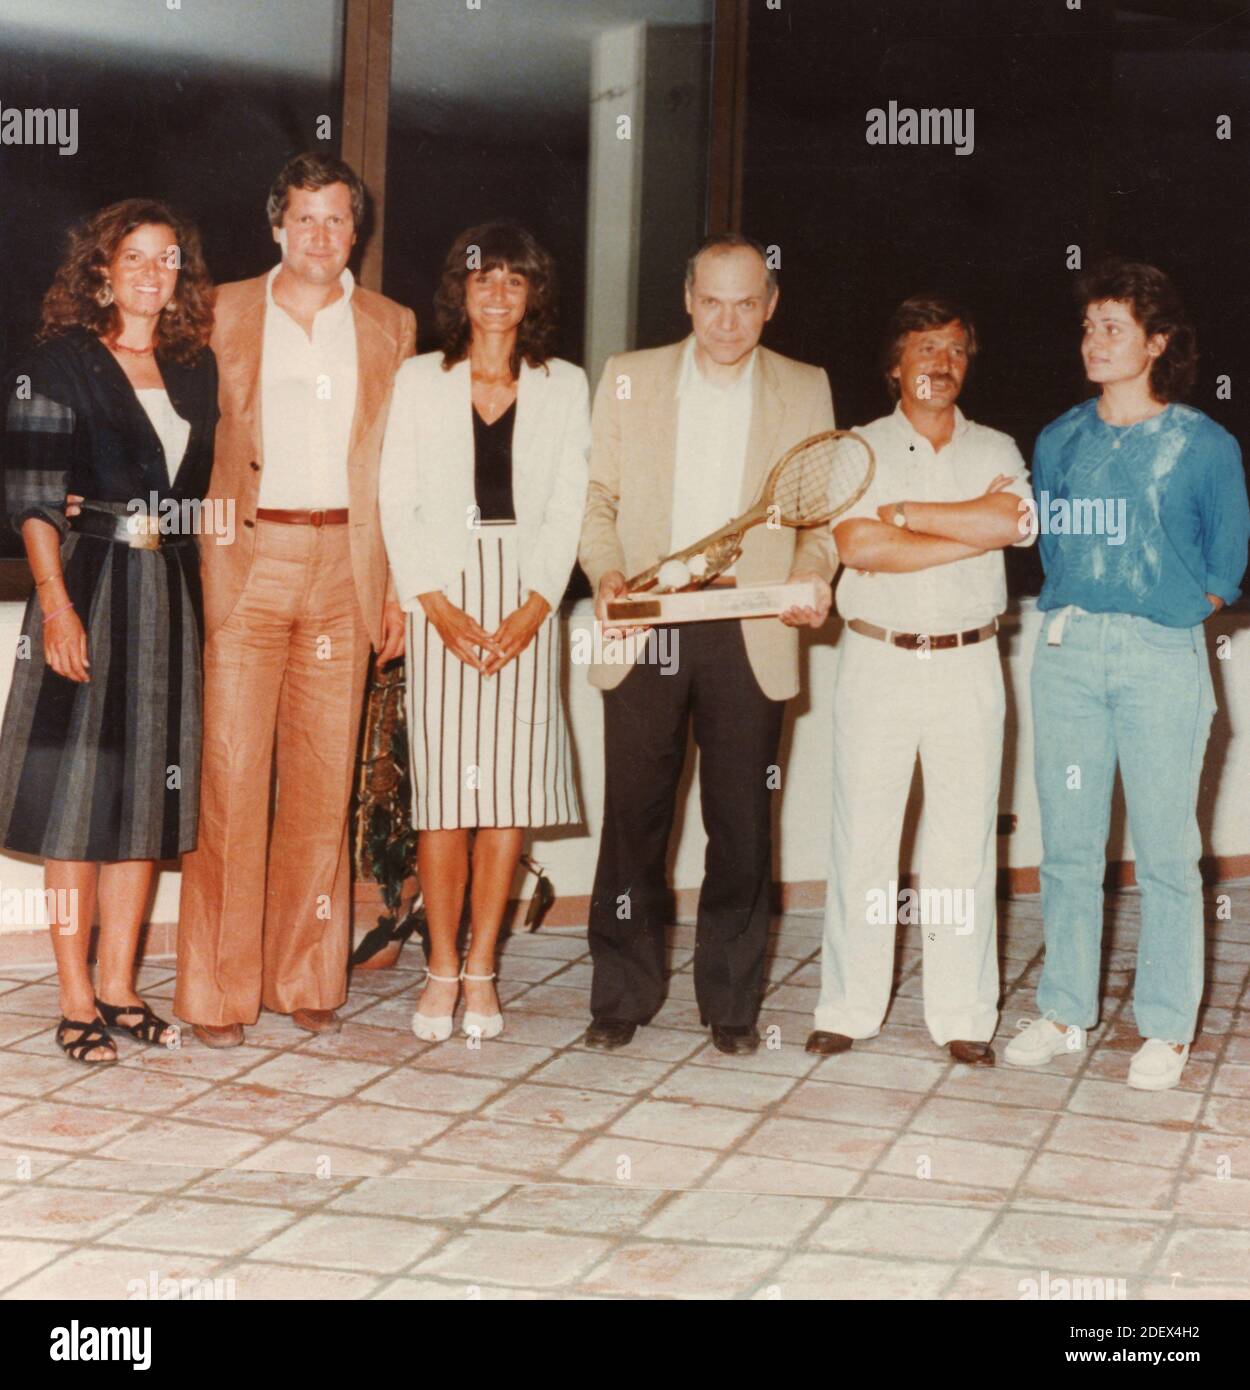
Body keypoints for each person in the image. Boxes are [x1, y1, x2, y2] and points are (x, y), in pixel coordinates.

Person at [173, 153, 415, 1047]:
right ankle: (217, 993)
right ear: (277, 224)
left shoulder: (391, 324)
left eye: (338, 219)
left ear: (358, 231)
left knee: (323, 783)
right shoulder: (223, 308)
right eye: (305, 218)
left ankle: (305, 974)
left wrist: (389, 585)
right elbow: (186, 433)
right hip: (251, 556)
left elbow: (398, 466)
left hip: (346, 565)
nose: (321, 235)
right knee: (230, 781)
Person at [578, 232, 835, 1056]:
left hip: (749, 628)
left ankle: (732, 1006)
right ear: (688, 300)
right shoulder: (628, 376)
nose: (729, 320)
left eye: (746, 303)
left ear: (770, 305)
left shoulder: (806, 387)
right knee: (634, 817)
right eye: (713, 301)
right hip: (649, 620)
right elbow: (596, 499)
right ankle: (621, 993)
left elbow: (820, 522)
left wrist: (813, 577)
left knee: (741, 823)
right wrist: (607, 574)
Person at [1005, 261, 1249, 1090]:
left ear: (1158, 343)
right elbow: (1052, 549)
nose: (1094, 341)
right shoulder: (1058, 439)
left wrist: (1173, 607)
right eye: (1088, 327)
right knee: (1069, 846)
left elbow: (1229, 559)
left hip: (1160, 659)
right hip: (1069, 652)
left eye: (1113, 328)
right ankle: (1067, 1011)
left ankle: (1167, 1027)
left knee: (1167, 852)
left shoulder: (1205, 445)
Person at [0, 199, 217, 1062]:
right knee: (75, 805)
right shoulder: (58, 361)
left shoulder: (195, 366)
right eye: (134, 257)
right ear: (101, 268)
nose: (151, 273)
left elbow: (200, 492)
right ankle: (74, 995)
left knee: (143, 804)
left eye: (167, 259)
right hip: (87, 586)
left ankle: (123, 985)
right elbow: (33, 497)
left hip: (170, 588)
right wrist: (55, 605)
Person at [807, 295, 1034, 1066]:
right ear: (894, 365)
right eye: (925, 349)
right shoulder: (856, 448)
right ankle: (849, 1007)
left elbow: (1011, 525)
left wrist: (906, 514)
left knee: (963, 844)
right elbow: (860, 548)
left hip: (971, 662)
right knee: (863, 839)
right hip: (877, 659)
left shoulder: (997, 444)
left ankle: (963, 1017)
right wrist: (959, 529)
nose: (941, 363)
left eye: (956, 350)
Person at [379, 222, 588, 1042]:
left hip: (528, 591)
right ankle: (437, 968)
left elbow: (570, 502)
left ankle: (482, 973)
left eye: (515, 279)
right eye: (482, 278)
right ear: (458, 292)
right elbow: (398, 498)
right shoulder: (419, 380)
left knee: (505, 796)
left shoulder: (565, 383)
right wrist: (436, 606)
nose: (497, 293)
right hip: (441, 591)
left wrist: (536, 610)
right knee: (443, 799)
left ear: (533, 295)